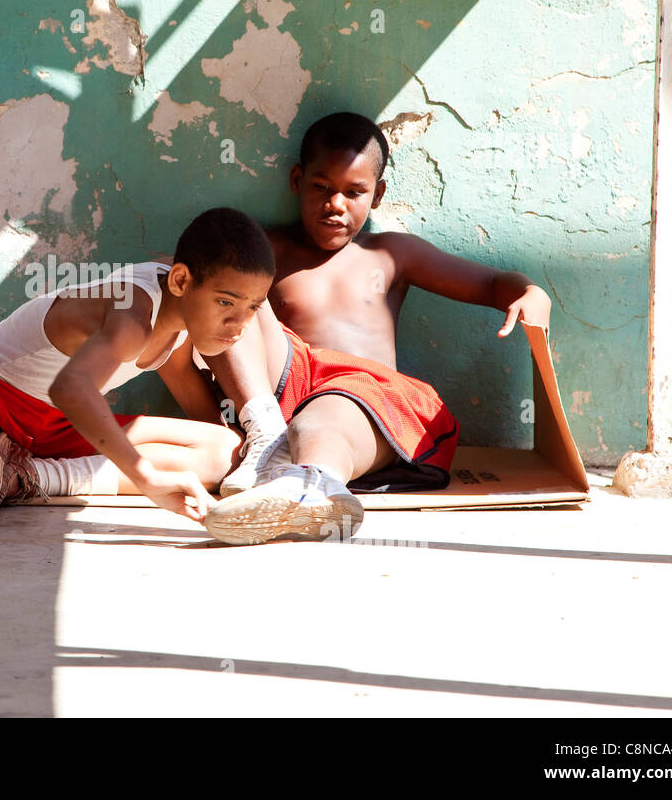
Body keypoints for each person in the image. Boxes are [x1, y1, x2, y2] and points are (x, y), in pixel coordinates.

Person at [200, 111, 552, 545]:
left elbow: (495, 283)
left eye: (354, 192)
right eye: (321, 188)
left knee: (315, 427)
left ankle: (312, 488)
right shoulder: (268, 250)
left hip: (364, 397)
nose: (336, 204)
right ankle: (279, 458)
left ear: (378, 194)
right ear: (296, 179)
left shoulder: (390, 254)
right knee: (228, 287)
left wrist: (530, 292)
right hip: (280, 397)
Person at [0, 207, 277, 551]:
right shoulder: (133, 313)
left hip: (52, 429)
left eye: (252, 308)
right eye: (226, 302)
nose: (238, 323)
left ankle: (27, 479)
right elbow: (71, 387)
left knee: (226, 448)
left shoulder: (182, 318)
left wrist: (237, 472)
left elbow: (185, 385)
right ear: (181, 280)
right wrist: (146, 478)